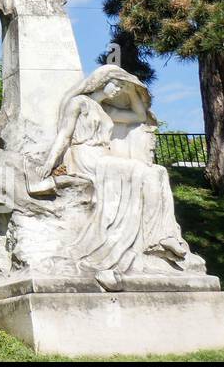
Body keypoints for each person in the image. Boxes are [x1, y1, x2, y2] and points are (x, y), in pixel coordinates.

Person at [34, 64, 191, 289]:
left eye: (121, 87)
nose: (117, 90)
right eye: (115, 84)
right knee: (139, 171)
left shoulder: (106, 110)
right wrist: (49, 164)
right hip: (87, 156)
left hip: (104, 158)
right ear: (100, 82)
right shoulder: (78, 103)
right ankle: (150, 239)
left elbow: (138, 115)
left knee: (158, 171)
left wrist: (133, 90)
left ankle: (161, 237)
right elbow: (64, 134)